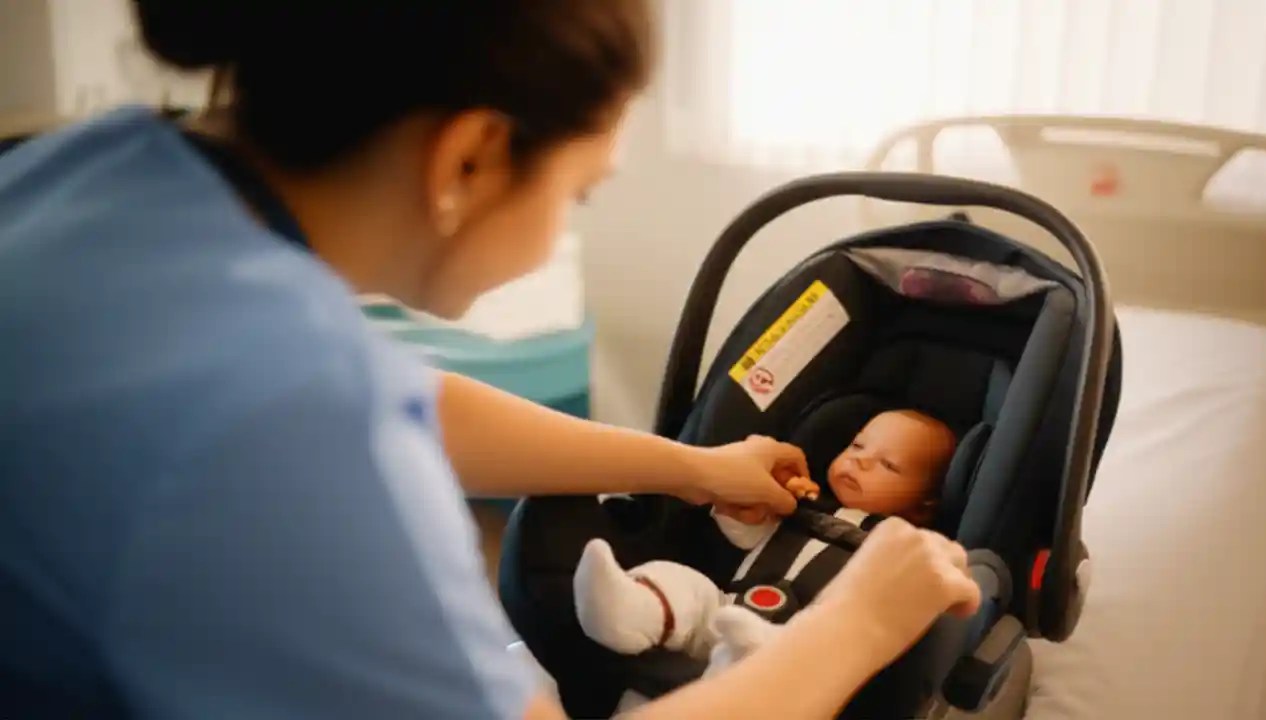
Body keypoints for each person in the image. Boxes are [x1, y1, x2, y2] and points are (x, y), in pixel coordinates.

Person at [0, 3, 979, 718]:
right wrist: (852, 626)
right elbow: (328, 422)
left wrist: (692, 466)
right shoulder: (292, 424)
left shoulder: (80, 174)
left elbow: (424, 410)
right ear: (467, 159)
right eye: (580, 192)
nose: (568, 221)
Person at [573, 409, 958, 659]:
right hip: (730, 605)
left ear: (921, 508)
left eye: (888, 464)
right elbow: (746, 542)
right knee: (685, 585)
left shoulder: (903, 546)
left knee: (770, 653)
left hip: (809, 644)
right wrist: (737, 514)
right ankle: (630, 606)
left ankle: (735, 671)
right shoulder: (799, 501)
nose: (860, 458)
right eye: (857, 444)